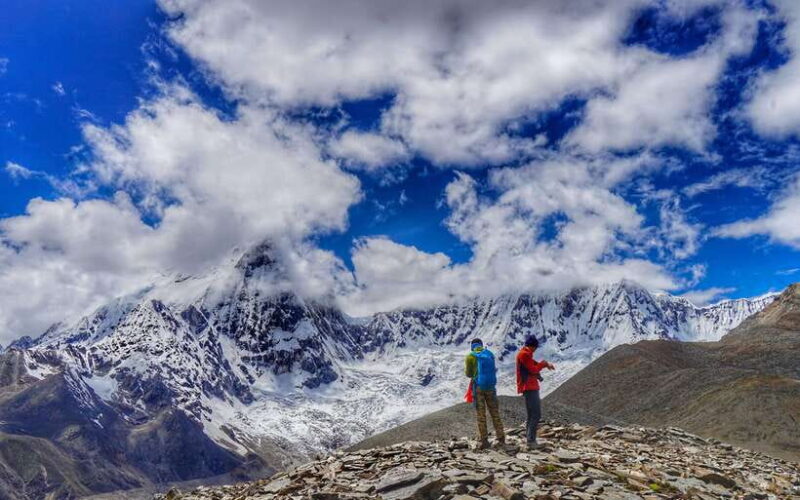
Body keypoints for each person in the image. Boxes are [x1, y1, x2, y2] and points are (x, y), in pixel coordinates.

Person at [464, 337, 505, 449]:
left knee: (481, 414)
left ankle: (484, 440)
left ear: (472, 346)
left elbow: (468, 374)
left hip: (478, 387)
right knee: (494, 412)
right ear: (481, 344)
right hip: (491, 387)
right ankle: (501, 437)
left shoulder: (471, 356)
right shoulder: (490, 354)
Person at [516, 335, 554, 449]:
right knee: (536, 414)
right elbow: (533, 369)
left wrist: (545, 364)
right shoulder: (525, 354)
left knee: (531, 414)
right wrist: (544, 363)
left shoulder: (524, 354)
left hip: (529, 386)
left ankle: (529, 438)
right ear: (532, 346)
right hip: (529, 386)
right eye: (535, 348)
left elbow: (533, 365)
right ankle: (531, 441)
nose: (536, 350)